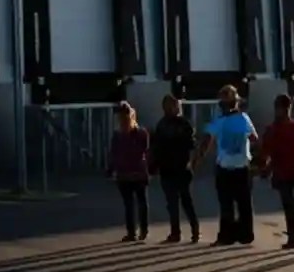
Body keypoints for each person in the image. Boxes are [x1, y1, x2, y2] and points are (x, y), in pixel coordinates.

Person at [204, 85, 260, 246]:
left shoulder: (224, 120)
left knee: (229, 204)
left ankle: (230, 235)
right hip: (238, 167)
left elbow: (207, 141)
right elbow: (254, 139)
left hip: (230, 168)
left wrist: (196, 160)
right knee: (241, 204)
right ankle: (243, 234)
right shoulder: (243, 118)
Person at [259, 94, 294, 250]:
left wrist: (265, 167)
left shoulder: (279, 129)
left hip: (290, 174)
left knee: (293, 206)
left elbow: (267, 152)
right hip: (293, 173)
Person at [150, 94, 200, 244]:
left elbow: (191, 144)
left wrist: (192, 162)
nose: (171, 108)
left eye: (173, 105)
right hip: (167, 168)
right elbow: (156, 147)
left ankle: (194, 229)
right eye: (168, 105)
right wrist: (154, 165)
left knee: (186, 201)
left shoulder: (184, 124)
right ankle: (175, 232)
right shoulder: (162, 125)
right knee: (172, 203)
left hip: (182, 168)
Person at [107, 101, 151, 242]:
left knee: (132, 203)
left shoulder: (122, 135)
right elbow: (145, 151)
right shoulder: (140, 133)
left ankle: (135, 231)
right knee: (138, 203)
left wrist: (111, 169)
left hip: (129, 173)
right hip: (134, 172)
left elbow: (115, 154)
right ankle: (139, 230)